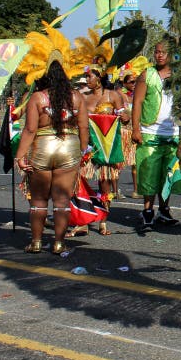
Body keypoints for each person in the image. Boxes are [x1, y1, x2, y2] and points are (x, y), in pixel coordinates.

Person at [13, 27, 89, 254]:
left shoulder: (37, 97)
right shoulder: (77, 97)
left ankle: (36, 242)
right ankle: (59, 243)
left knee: (38, 199)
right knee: (62, 200)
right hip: (69, 145)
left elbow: (30, 129)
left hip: (43, 147)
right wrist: (83, 151)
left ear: (45, 75)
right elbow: (84, 127)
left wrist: (20, 156)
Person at [69, 65, 128, 236]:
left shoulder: (113, 95)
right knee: (78, 180)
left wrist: (124, 117)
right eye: (86, 77)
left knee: (105, 183)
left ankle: (103, 222)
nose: (87, 80)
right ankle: (83, 221)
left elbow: (125, 117)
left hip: (105, 147)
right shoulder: (83, 97)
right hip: (87, 146)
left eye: (90, 76)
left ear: (99, 78)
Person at [131, 41, 180, 231]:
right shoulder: (147, 75)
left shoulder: (180, 75)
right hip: (150, 131)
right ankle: (148, 210)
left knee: (168, 174)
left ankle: (164, 210)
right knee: (149, 173)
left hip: (173, 132)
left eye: (163, 52)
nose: (159, 55)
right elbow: (137, 102)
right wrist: (136, 129)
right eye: (157, 52)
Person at [119, 73, 140, 198]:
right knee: (119, 162)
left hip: (135, 132)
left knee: (135, 162)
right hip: (123, 132)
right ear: (124, 83)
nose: (134, 84)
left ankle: (136, 191)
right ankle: (116, 190)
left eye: (136, 82)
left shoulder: (138, 96)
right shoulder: (120, 96)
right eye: (131, 82)